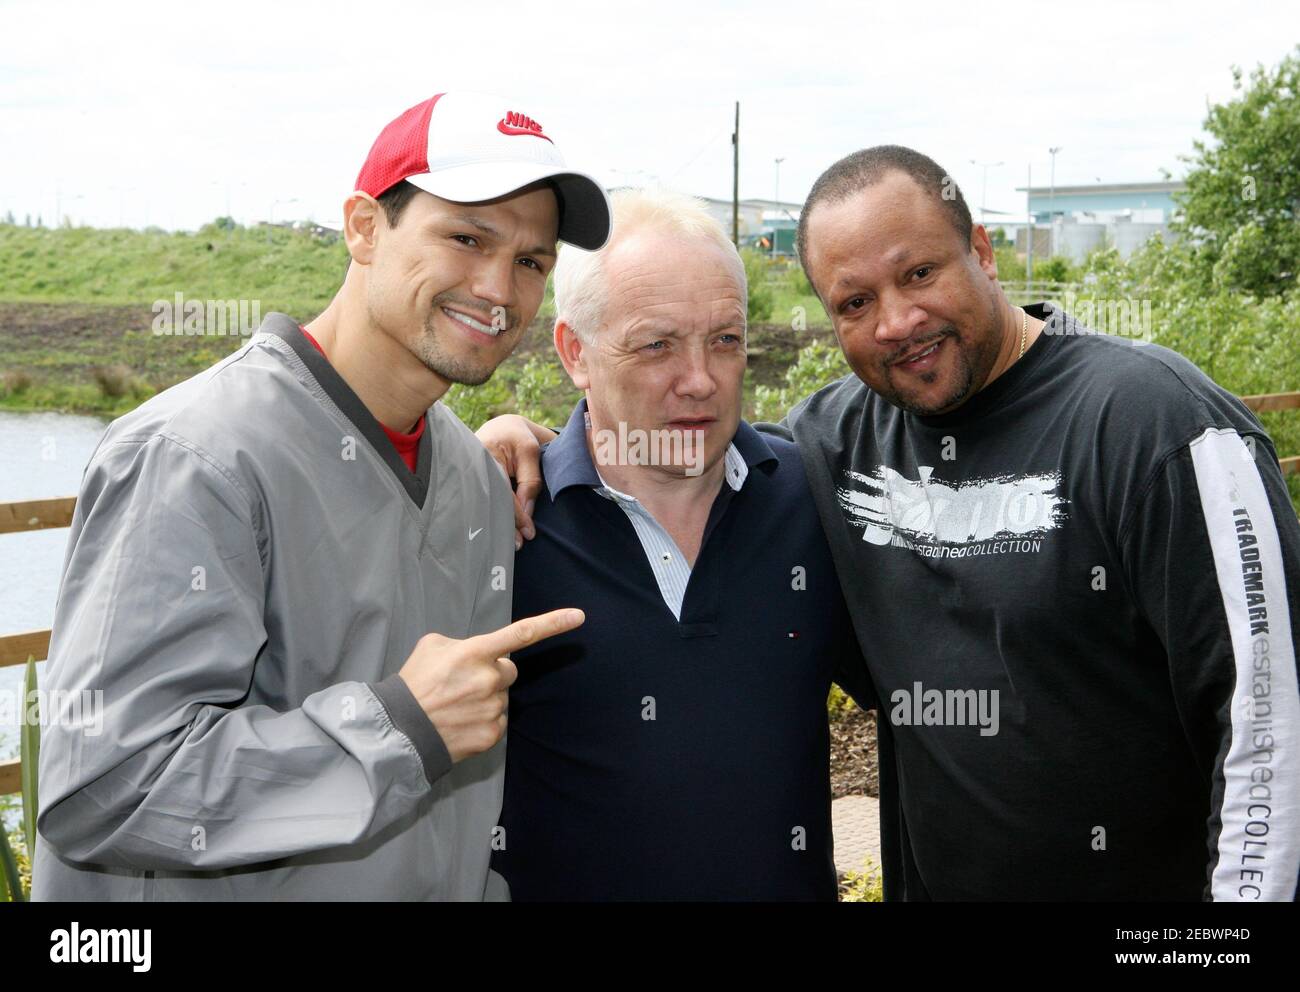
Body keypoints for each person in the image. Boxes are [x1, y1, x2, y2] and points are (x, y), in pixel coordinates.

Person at [483, 146, 1300, 901]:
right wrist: (515, 443)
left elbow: (1273, 729)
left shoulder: (1156, 426)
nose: (897, 321)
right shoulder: (829, 450)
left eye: (919, 272)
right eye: (856, 301)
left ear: (982, 251)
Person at [33, 91, 609, 900]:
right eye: (466, 237)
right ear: (364, 228)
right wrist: (399, 729)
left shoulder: (475, 480)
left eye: (531, 262)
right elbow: (104, 785)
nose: (500, 288)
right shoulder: (193, 457)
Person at [480, 189, 873, 901]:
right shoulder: (503, 523)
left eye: (724, 339)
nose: (701, 380)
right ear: (575, 352)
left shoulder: (814, 504)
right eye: (657, 344)